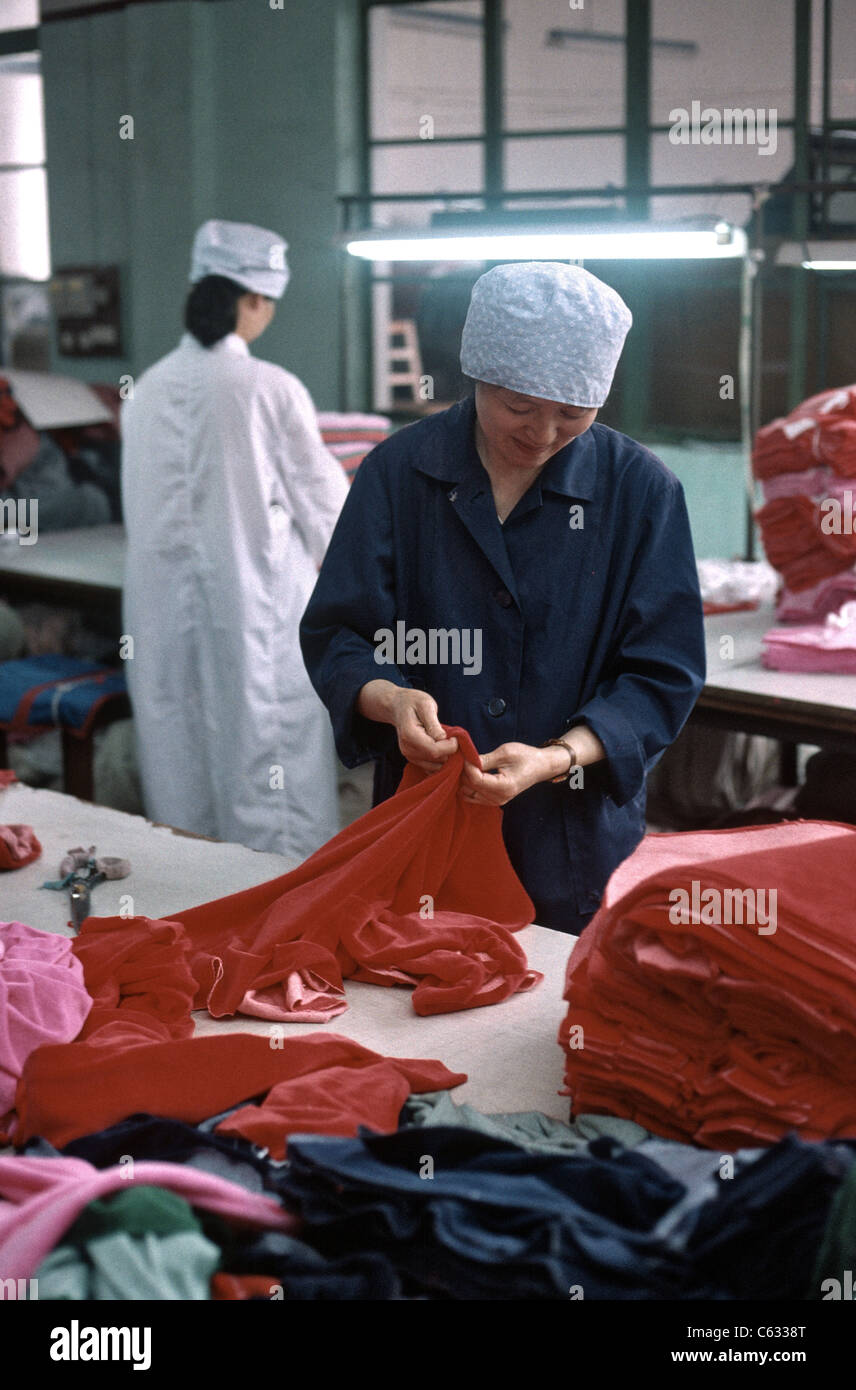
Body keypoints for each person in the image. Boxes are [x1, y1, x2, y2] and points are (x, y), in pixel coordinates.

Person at [300, 261, 706, 933]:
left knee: (558, 1016)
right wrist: (391, 699)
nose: (542, 434)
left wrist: (556, 758)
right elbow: (340, 633)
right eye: (519, 407)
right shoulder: (400, 473)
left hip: (573, 838)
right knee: (411, 997)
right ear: (477, 373)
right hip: (423, 818)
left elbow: (663, 672)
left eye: (572, 414)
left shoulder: (640, 493)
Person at [121, 219, 348, 860]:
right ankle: (282, 923)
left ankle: (194, 914)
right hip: (260, 612)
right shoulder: (269, 388)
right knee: (270, 768)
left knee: (180, 754)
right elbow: (329, 512)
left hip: (161, 614)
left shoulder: (145, 391)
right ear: (254, 300)